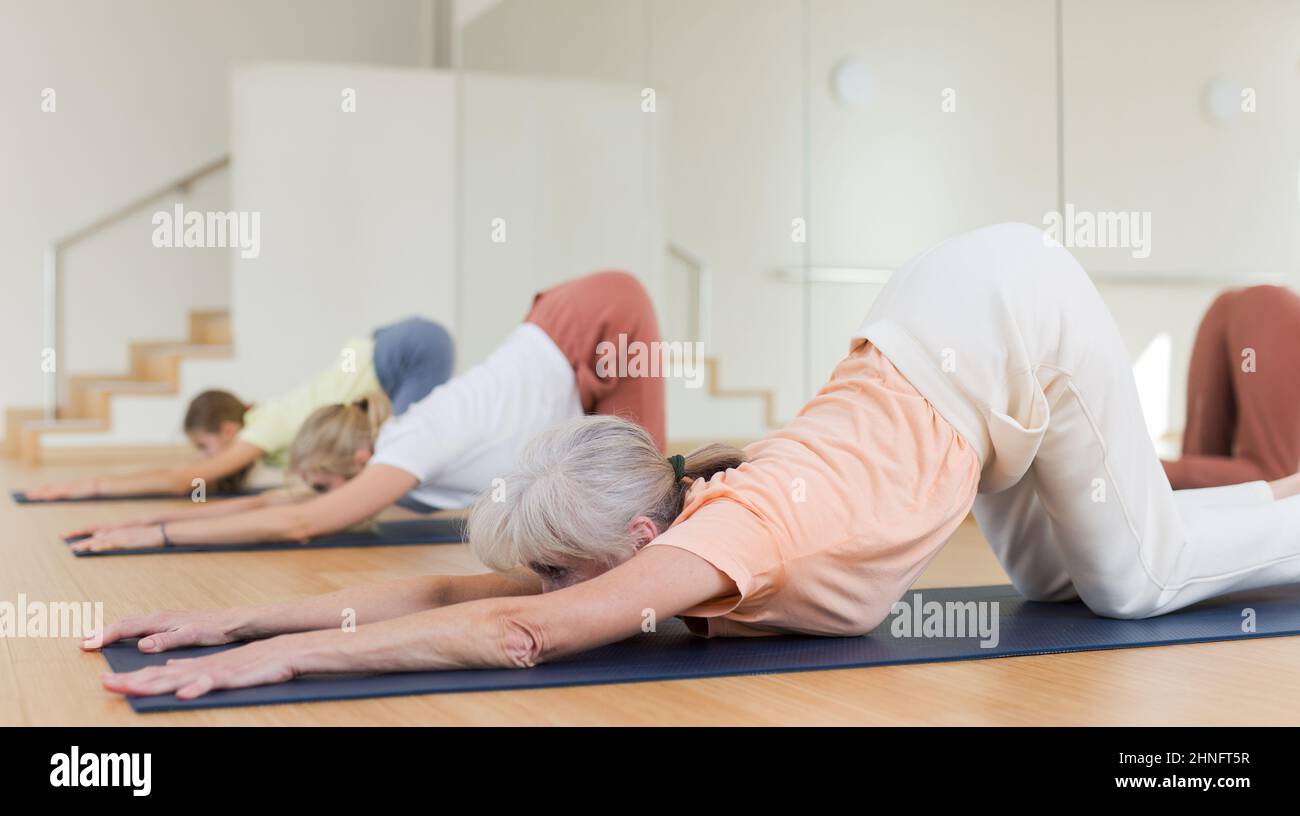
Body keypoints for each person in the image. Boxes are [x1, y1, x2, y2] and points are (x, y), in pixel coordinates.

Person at [89, 224, 1300, 701]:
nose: (550, 594)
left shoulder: (727, 533)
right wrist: (231, 624)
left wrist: (286, 661)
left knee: (1133, 587)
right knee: (1061, 588)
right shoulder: (658, 525)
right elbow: (464, 596)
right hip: (953, 352)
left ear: (631, 547)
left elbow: (521, 636)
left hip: (1006, 307)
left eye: (563, 575)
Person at [70, 270, 665, 551]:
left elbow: (301, 522)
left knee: (647, 492)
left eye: (329, 485)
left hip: (597, 318)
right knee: (611, 500)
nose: (324, 496)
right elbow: (289, 503)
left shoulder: (407, 445)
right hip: (562, 325)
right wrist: (141, 523)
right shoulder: (391, 446)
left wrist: (159, 537)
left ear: (357, 462)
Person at [25, 317, 454, 500]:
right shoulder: (267, 423)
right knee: (397, 458)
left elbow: (181, 480)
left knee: (406, 460)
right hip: (398, 341)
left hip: (408, 349)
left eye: (205, 445)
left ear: (230, 430)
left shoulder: (262, 427)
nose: (205, 458)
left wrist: (89, 485)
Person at [1162, 285, 1300, 489]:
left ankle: (1124, 470)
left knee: (1200, 485)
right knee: (1271, 478)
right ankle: (1124, 470)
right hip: (1267, 311)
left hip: (1230, 308)